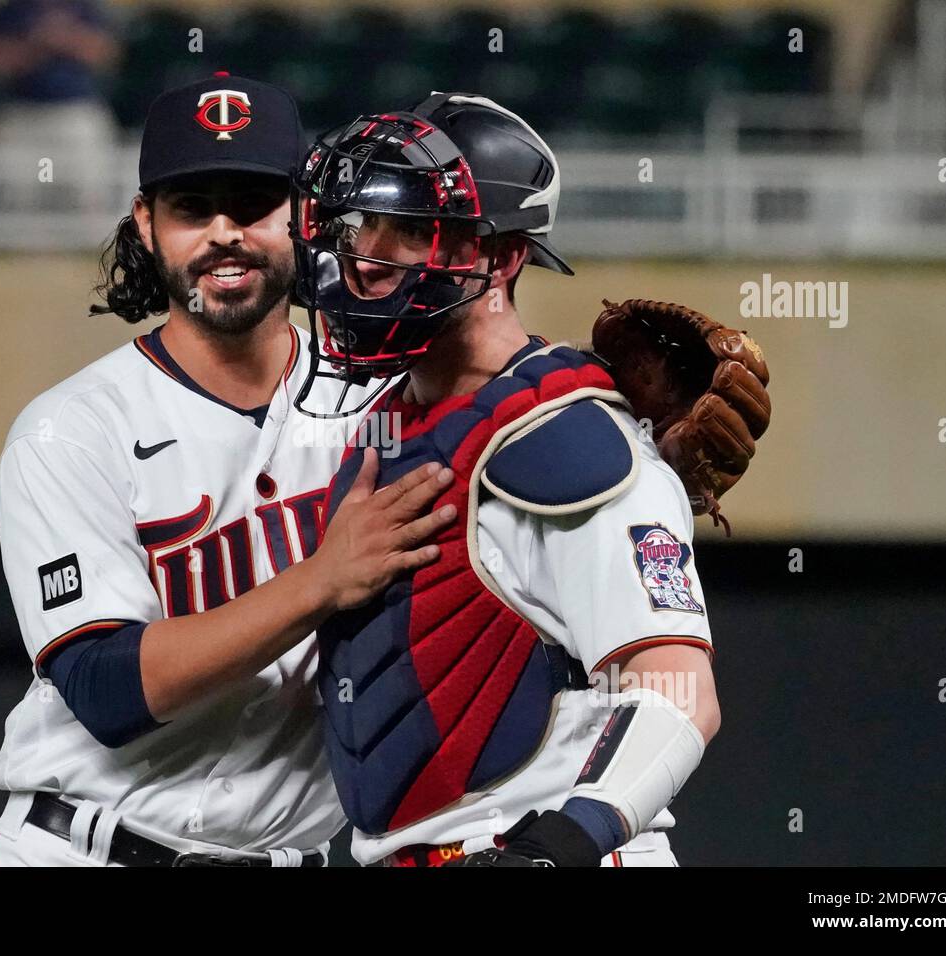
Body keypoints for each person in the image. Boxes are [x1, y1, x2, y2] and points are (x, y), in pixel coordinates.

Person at [0, 73, 454, 867]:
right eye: (193, 208)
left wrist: (637, 464)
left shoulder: (389, 405)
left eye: (253, 204)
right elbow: (107, 689)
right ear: (146, 222)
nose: (225, 232)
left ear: (305, 217)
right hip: (84, 848)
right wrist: (321, 580)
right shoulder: (70, 430)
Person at [292, 93, 745, 866]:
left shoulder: (570, 440)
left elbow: (680, 699)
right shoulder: (384, 426)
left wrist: (553, 849)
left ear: (502, 258)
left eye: (409, 230)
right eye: (358, 225)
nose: (367, 256)